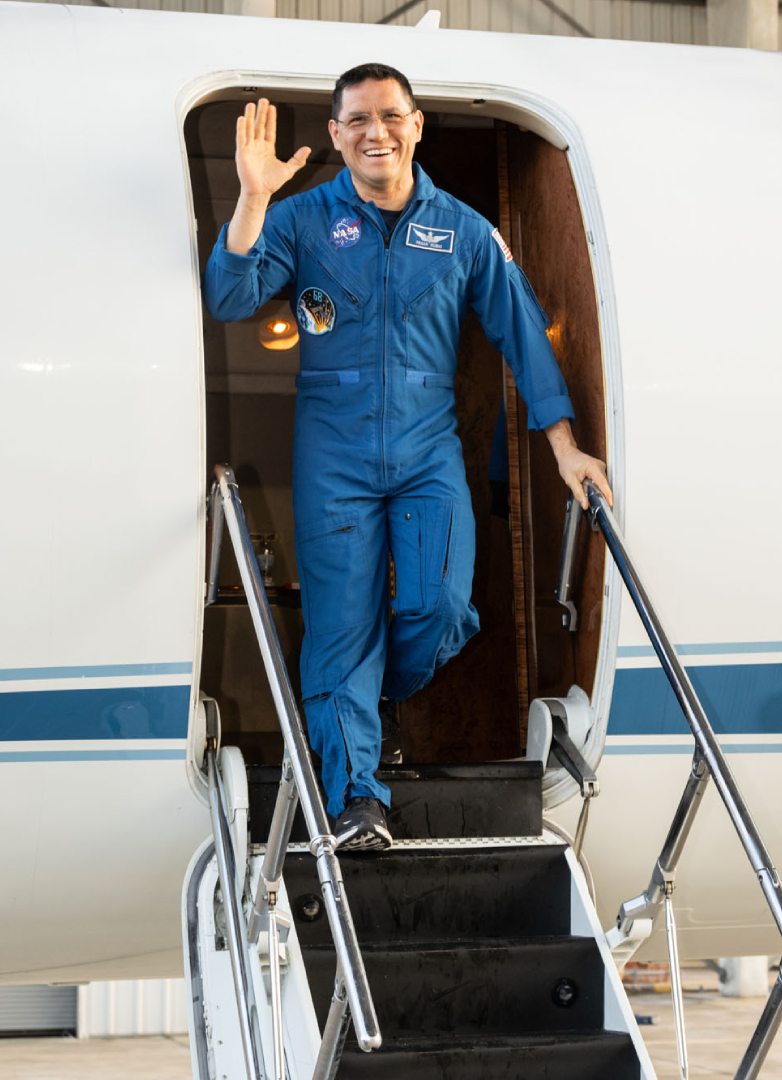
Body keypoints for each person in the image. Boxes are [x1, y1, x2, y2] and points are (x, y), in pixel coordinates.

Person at [203, 65, 611, 850]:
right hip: (334, 453)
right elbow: (230, 296)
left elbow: (523, 333)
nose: (374, 132)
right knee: (339, 631)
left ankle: (364, 699)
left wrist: (564, 447)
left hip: (429, 452)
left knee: (442, 610)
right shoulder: (300, 220)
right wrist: (253, 198)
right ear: (334, 136)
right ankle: (358, 795)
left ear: (417, 125)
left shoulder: (462, 231)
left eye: (389, 116)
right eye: (355, 120)